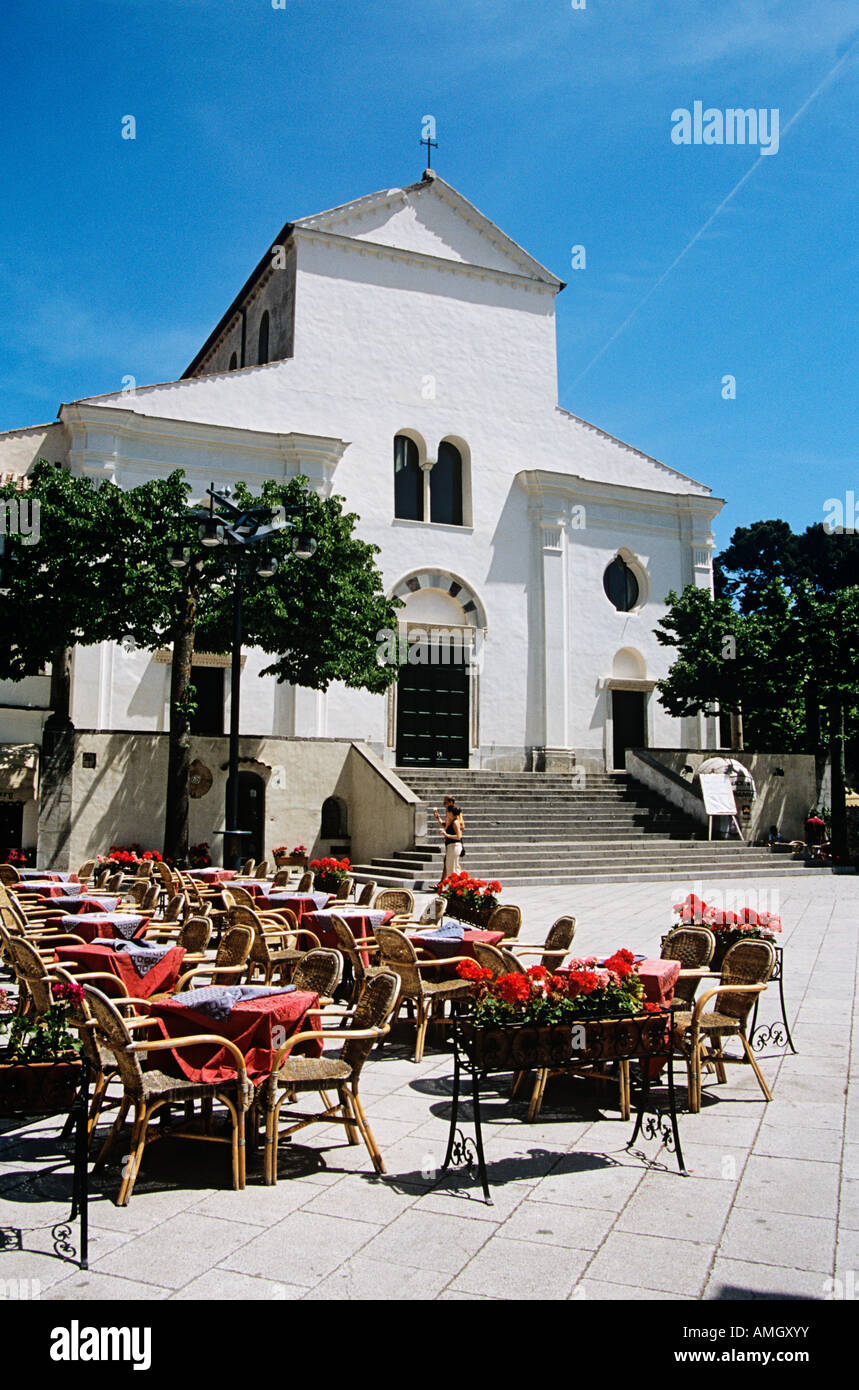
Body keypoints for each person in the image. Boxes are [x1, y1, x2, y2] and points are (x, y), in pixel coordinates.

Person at [434, 796, 465, 877]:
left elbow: (462, 827)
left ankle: (444, 883)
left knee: (452, 866)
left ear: (451, 802)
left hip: (454, 843)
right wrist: (438, 818)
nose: (444, 805)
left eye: (445, 803)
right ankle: (444, 883)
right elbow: (446, 826)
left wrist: (447, 834)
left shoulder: (455, 814)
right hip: (449, 842)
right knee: (450, 865)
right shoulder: (449, 814)